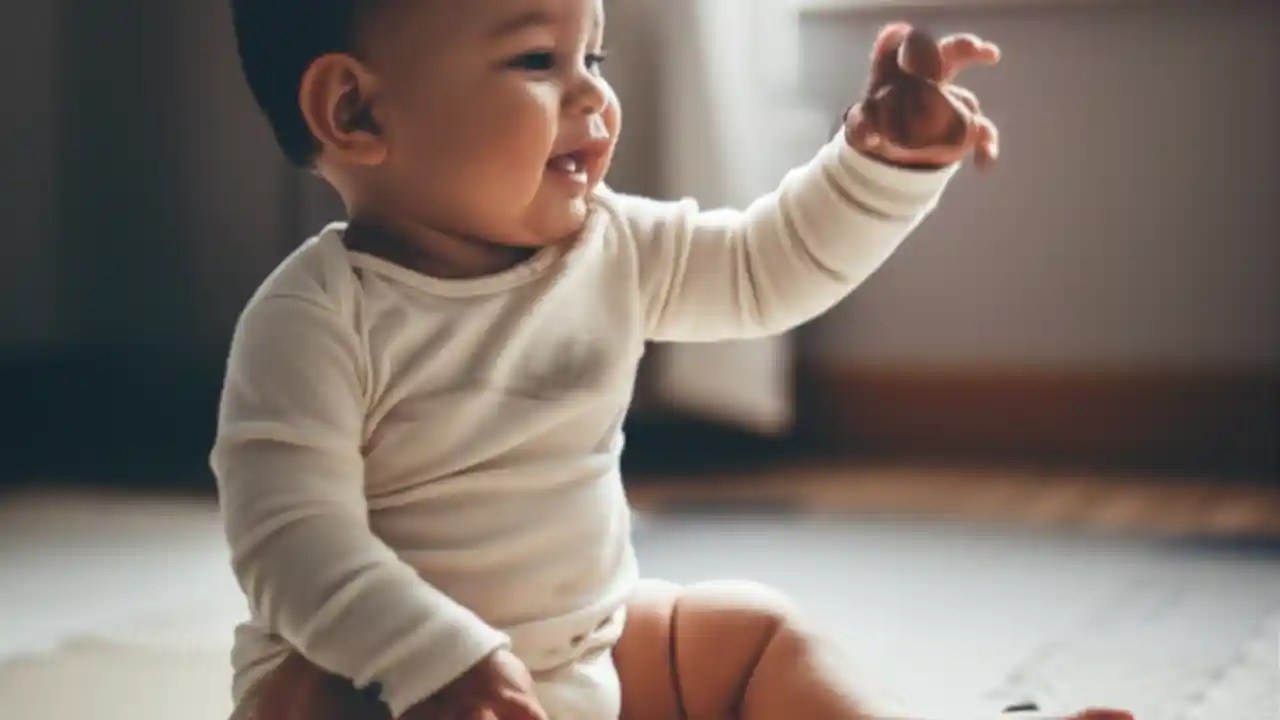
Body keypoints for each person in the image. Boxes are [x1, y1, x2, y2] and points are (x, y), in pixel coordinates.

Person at [215, 1, 1132, 718]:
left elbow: (763, 267)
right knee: (302, 699)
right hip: (388, 681)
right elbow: (293, 544)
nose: (593, 99)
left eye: (594, 58)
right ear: (355, 107)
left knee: (753, 632)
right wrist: (433, 657)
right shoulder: (315, 319)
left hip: (588, 655)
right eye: (539, 61)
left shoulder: (610, 247)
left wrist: (880, 164)